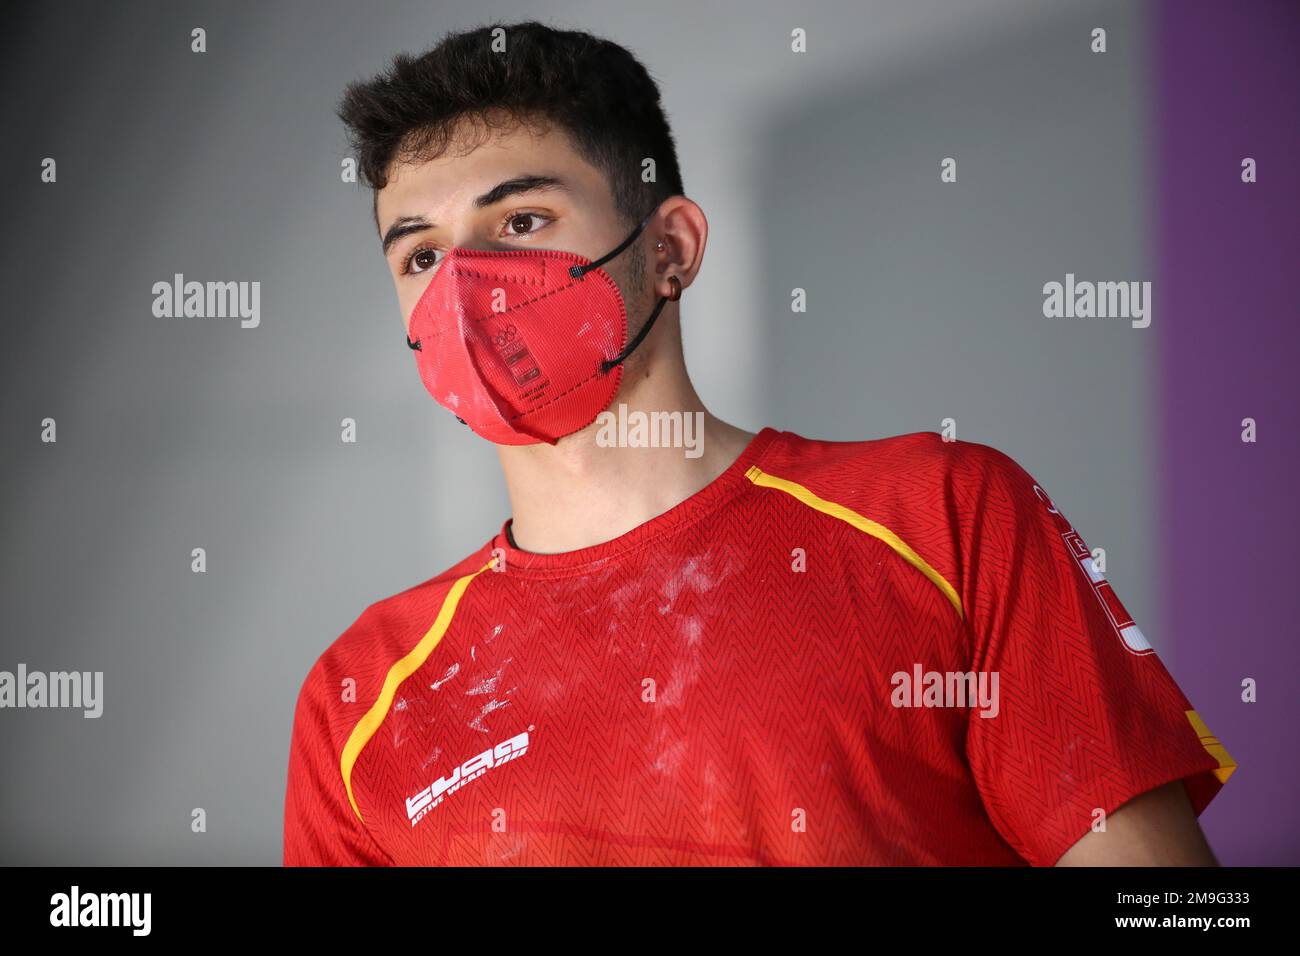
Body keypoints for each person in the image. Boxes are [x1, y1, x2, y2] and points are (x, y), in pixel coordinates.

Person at [283, 19, 1235, 866]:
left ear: (671, 249)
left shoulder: (940, 518)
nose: (464, 286)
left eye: (521, 221)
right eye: (420, 255)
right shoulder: (362, 697)